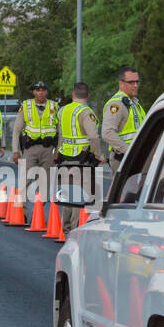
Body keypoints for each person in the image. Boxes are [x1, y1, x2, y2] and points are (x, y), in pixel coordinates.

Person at [55, 81, 107, 234]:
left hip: (64, 157)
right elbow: (92, 136)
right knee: (80, 195)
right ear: (88, 95)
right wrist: (98, 155)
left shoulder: (63, 110)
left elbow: (61, 134)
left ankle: (66, 229)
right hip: (81, 158)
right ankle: (76, 229)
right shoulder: (86, 112)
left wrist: (57, 152)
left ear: (73, 94)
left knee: (67, 193)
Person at [12, 81, 58, 201]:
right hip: (30, 149)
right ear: (34, 92)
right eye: (38, 90)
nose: (41, 92)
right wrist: (15, 151)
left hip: (48, 150)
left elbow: (61, 132)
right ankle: (23, 212)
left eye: (43, 90)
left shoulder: (55, 106)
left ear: (46, 92)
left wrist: (58, 151)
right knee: (25, 180)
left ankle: (39, 213)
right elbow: (17, 130)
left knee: (44, 182)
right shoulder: (26, 106)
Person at [100, 66, 146, 172]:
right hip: (124, 159)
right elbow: (107, 133)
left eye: (137, 82)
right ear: (121, 83)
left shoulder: (133, 103)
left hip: (134, 158)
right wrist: (130, 151)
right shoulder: (116, 104)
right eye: (131, 82)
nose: (135, 85)